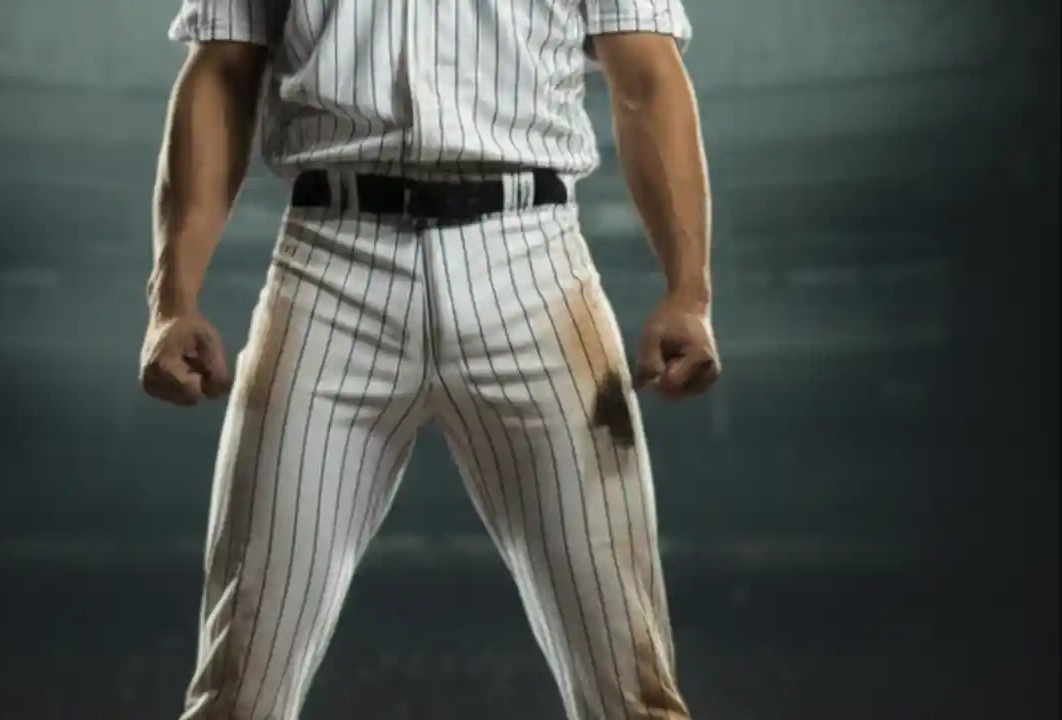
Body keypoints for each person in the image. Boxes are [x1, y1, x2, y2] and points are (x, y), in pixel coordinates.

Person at [139, 0, 720, 717]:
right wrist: (172, 298)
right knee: (239, 691)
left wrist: (688, 291)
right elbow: (224, 68)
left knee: (631, 689)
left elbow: (647, 78)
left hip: (532, 264)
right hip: (331, 263)